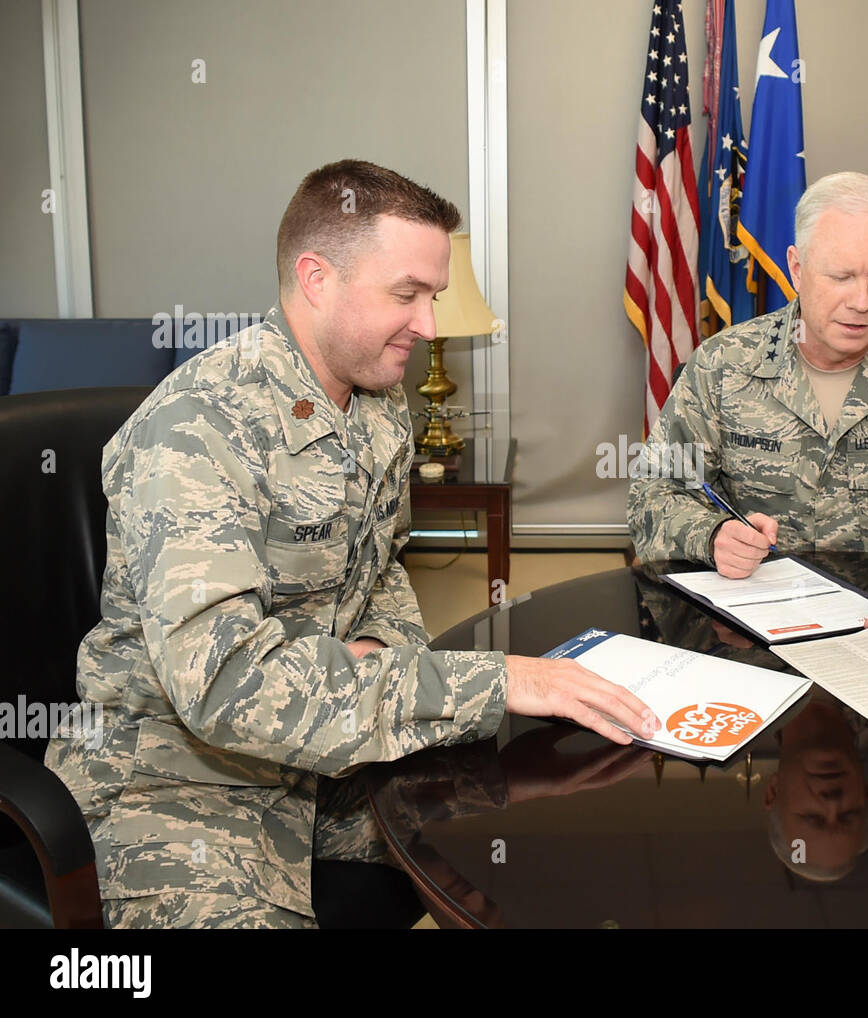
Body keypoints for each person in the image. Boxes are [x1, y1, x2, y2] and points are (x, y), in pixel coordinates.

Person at [44, 159, 658, 929]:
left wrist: (382, 649)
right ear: (316, 278)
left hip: (335, 742)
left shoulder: (379, 407)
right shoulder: (198, 427)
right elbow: (228, 687)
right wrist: (489, 683)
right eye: (407, 294)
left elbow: (382, 572)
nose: (430, 325)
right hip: (182, 775)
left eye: (431, 296)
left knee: (540, 839)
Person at [628, 172, 868, 641]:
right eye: (841, 277)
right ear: (796, 268)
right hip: (754, 630)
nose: (862, 302)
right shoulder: (724, 365)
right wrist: (711, 536)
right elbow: (652, 495)